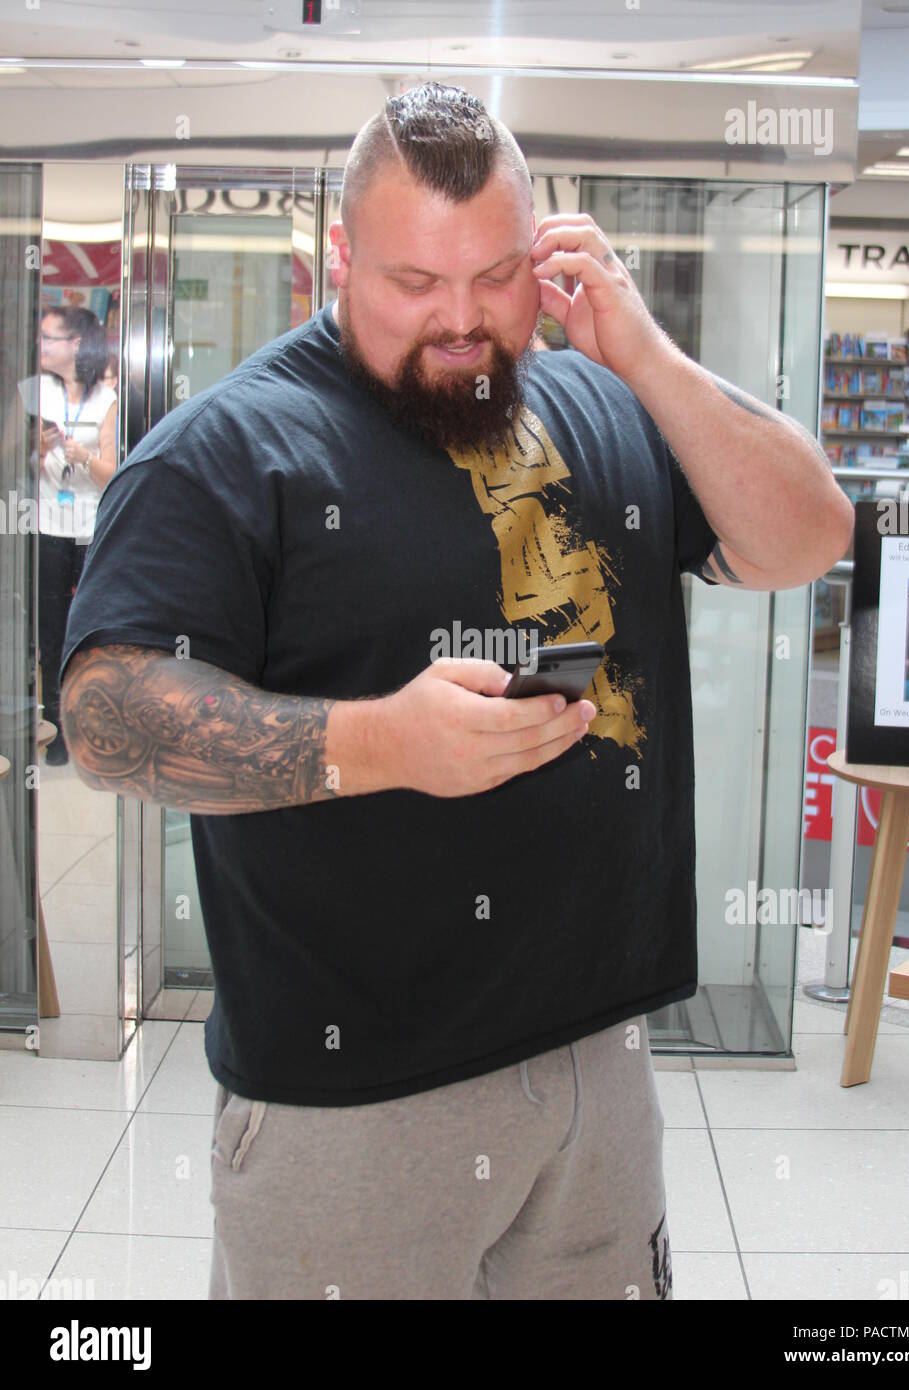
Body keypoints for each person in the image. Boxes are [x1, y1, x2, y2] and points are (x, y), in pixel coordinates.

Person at [58, 82, 853, 1300]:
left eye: (494, 277)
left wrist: (640, 347)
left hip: (597, 1066)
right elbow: (105, 716)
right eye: (412, 285)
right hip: (352, 1102)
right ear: (336, 258)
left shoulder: (603, 397)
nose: (461, 322)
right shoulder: (234, 449)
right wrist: (375, 743)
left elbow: (808, 537)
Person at [18, 306, 117, 763]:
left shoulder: (107, 398)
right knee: (51, 634)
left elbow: (114, 474)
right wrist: (32, 450)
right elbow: (8, 459)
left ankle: (92, 729)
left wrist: (82, 455)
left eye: (49, 337)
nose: (41, 345)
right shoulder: (33, 391)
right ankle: (56, 731)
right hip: (46, 528)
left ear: (77, 344)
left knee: (93, 631)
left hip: (91, 528)